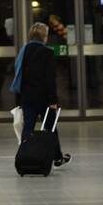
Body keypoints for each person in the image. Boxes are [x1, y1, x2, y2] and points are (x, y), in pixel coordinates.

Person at [12, 22, 69, 167]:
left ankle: (24, 156)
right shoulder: (47, 52)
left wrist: (19, 99)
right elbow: (49, 79)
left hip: (27, 97)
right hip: (44, 98)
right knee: (50, 127)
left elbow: (19, 75)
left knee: (28, 128)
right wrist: (53, 100)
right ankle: (57, 157)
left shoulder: (24, 50)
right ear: (44, 36)